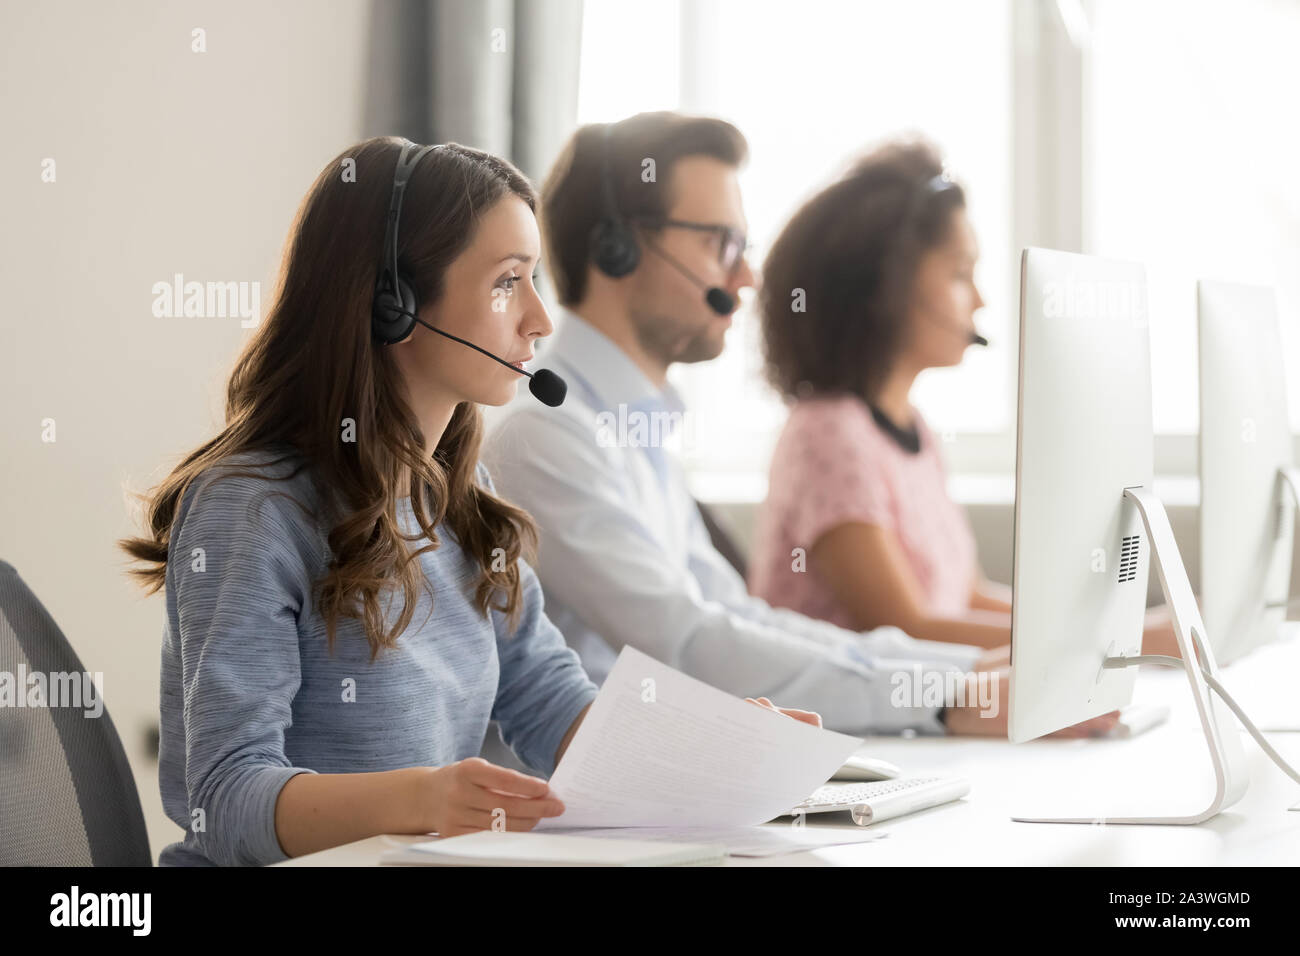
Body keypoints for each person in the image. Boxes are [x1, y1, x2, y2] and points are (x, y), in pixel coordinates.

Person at [120, 137, 817, 866]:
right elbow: (224, 799)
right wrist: (420, 801)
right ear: (396, 304)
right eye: (507, 282)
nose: (540, 319)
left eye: (535, 278)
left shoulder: (460, 501)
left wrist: (716, 747)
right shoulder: (253, 510)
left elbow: (551, 700)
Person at [482, 113, 1110, 740]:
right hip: (601, 795)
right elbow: (686, 644)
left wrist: (965, 671)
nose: (746, 277)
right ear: (615, 249)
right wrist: (950, 693)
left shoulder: (630, 428)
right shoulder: (546, 438)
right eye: (718, 244)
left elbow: (733, 616)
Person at [749, 138, 1178, 655]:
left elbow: (964, 597)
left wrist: (1124, 626)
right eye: (958, 274)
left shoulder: (911, 428)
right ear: (884, 288)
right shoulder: (828, 434)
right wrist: (1118, 641)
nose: (979, 300)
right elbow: (906, 628)